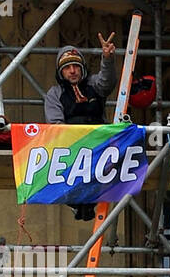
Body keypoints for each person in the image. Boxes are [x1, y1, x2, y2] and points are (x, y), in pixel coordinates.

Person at [44, 33, 118, 221]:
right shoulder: (55, 94)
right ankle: (79, 203)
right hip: (73, 150)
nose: (72, 71)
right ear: (61, 72)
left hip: (99, 146)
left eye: (76, 66)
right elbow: (56, 126)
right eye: (67, 68)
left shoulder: (93, 84)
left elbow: (107, 83)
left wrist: (107, 59)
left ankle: (89, 201)